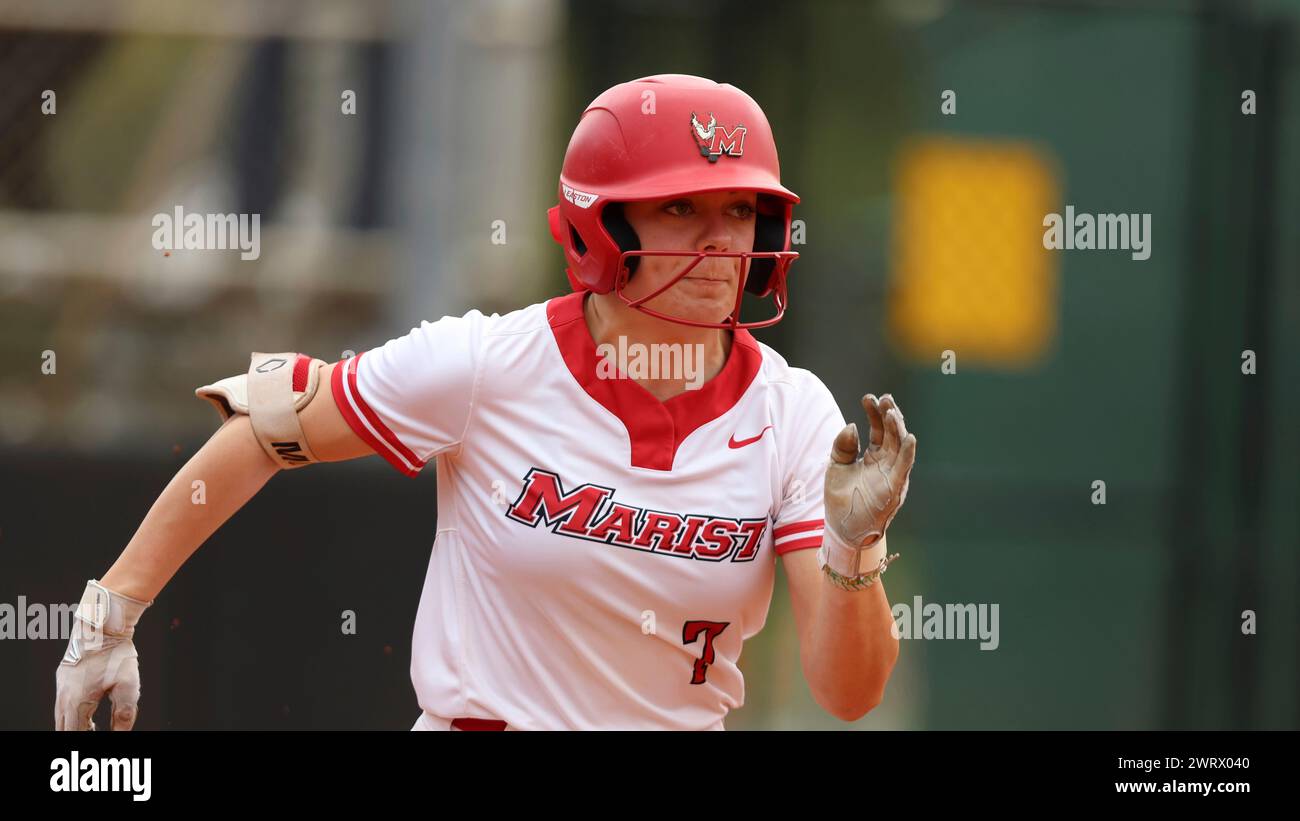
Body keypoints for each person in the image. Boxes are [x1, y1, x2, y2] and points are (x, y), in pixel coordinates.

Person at [54, 74, 916, 731]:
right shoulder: (488, 364)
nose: (721, 239)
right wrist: (112, 612)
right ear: (601, 227)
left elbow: (850, 694)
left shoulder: (794, 413)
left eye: (742, 208)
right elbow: (270, 424)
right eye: (680, 206)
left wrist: (855, 547)